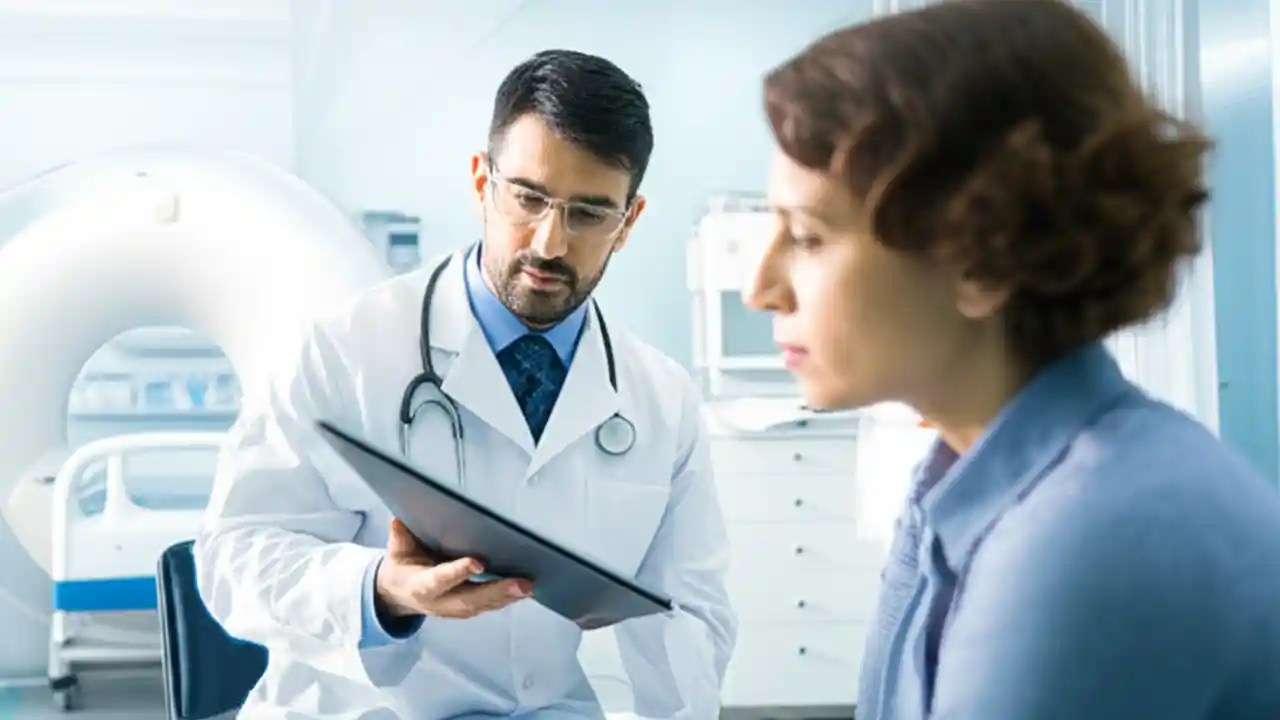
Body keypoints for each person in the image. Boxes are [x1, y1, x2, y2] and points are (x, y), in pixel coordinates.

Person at [745, 1, 1280, 718]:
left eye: (807, 237)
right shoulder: (963, 480)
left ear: (980, 259)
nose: (761, 289)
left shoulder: (1099, 533)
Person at [195, 49, 736, 718]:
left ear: (629, 221)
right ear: (482, 181)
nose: (548, 243)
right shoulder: (344, 349)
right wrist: (381, 591)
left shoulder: (662, 401)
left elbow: (688, 612)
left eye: (589, 214)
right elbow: (235, 556)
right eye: (529, 198)